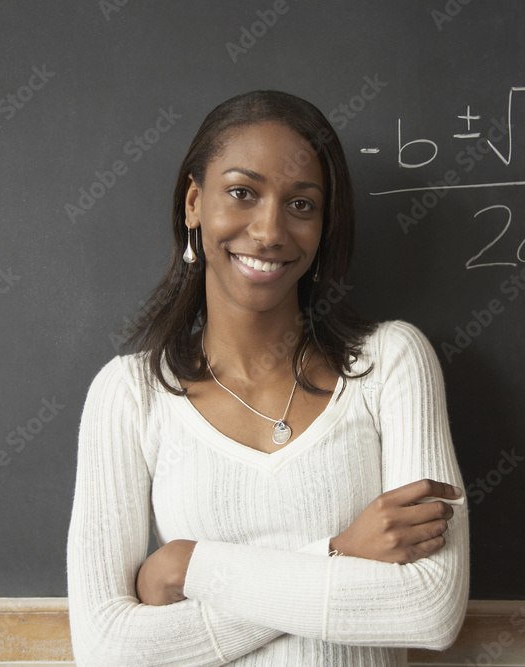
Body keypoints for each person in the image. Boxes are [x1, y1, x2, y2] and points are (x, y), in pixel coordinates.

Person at [66, 90, 469, 665]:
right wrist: (337, 553)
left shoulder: (390, 363)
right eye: (242, 193)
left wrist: (188, 569)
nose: (270, 230)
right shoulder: (129, 394)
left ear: (325, 225)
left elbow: (429, 610)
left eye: (301, 205)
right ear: (193, 203)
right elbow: (109, 649)